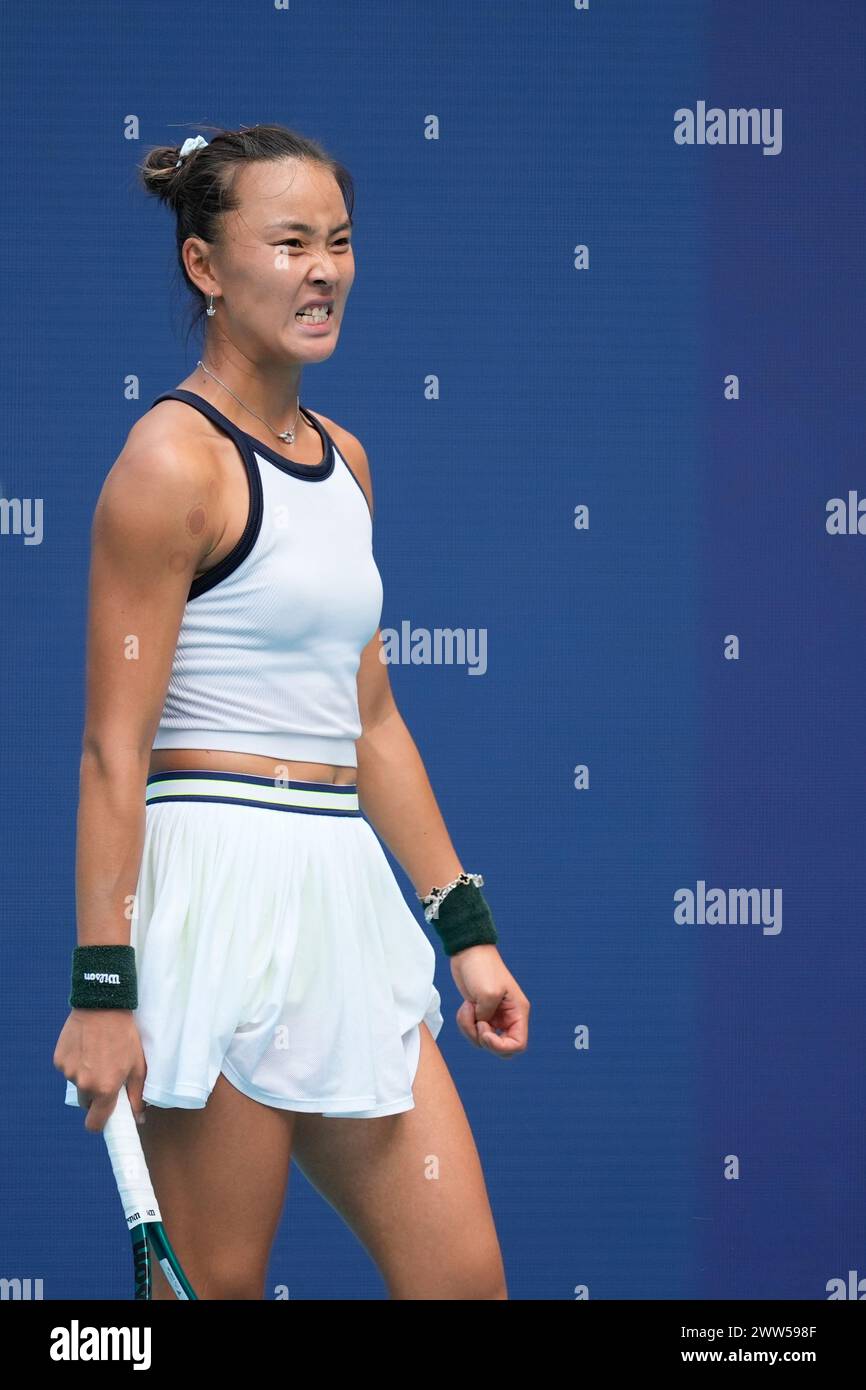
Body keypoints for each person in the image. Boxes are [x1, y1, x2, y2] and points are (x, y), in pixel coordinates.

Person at [53, 122, 529, 1301]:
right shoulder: (169, 462)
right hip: (213, 899)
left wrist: (463, 930)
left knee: (463, 1283)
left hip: (342, 901)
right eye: (288, 243)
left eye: (339, 241)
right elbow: (114, 750)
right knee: (210, 1290)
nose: (322, 271)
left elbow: (369, 719)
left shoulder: (346, 461)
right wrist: (103, 989)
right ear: (205, 265)